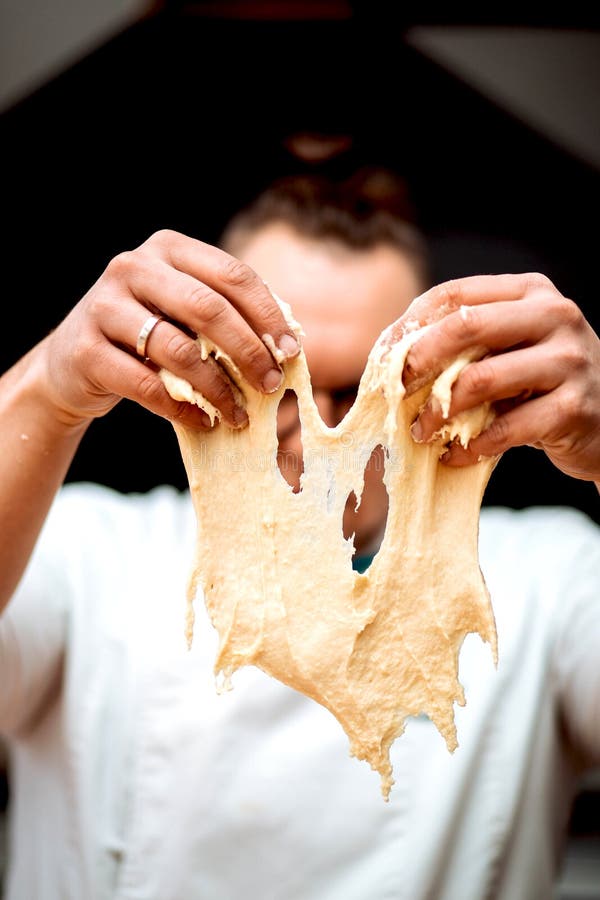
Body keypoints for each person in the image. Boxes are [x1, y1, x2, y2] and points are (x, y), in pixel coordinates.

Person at [0, 166, 599, 900]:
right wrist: (47, 392)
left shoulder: (546, 578)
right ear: (201, 359)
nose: (318, 430)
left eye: (354, 389)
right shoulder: (82, 551)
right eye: (275, 380)